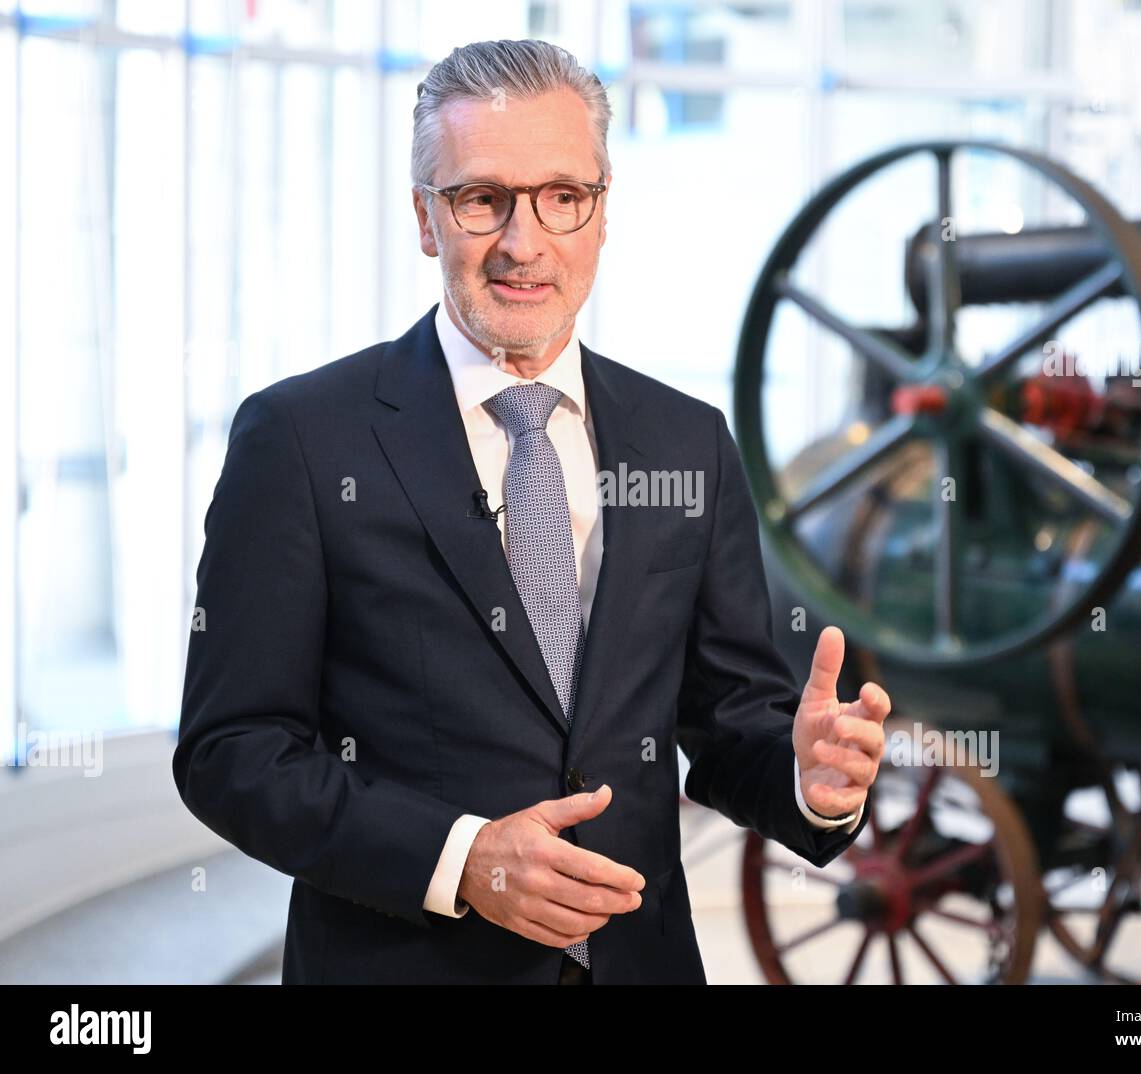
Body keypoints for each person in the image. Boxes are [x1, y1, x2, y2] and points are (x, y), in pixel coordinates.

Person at [173, 38, 888, 986]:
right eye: (482, 199)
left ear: (599, 213)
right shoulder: (302, 440)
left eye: (562, 196)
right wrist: (461, 859)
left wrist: (809, 780)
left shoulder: (688, 442)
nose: (524, 241)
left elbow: (727, 723)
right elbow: (233, 751)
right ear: (427, 220)